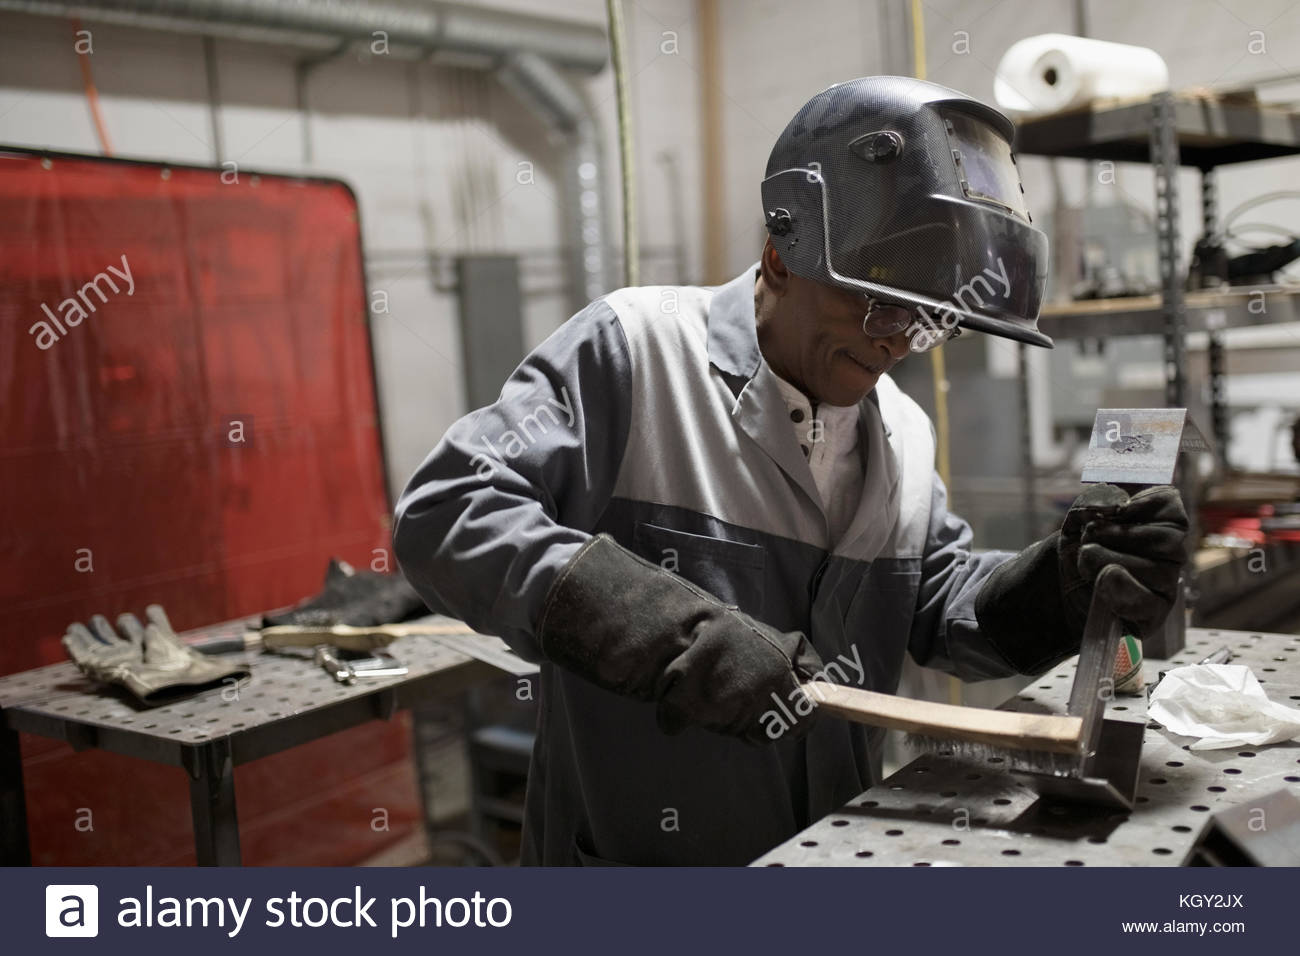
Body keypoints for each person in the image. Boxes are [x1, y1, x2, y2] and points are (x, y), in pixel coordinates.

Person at [393, 76, 1188, 866]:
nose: (895, 343)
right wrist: (678, 637)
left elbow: (941, 609)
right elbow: (446, 512)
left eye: (926, 319)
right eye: (879, 305)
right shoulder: (635, 353)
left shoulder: (904, 434)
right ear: (780, 255)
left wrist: (1061, 583)